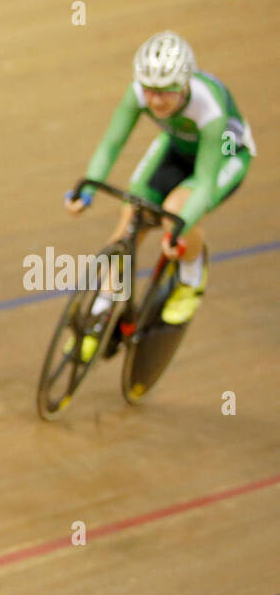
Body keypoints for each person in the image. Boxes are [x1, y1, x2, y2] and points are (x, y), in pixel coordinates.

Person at [65, 31, 254, 361]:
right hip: (179, 146)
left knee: (174, 211)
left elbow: (206, 181)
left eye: (164, 93)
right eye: (149, 91)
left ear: (184, 84)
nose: (154, 101)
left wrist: (180, 227)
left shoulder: (209, 108)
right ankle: (100, 310)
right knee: (130, 219)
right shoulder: (140, 92)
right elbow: (111, 145)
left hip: (224, 154)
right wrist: (89, 188)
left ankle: (191, 277)